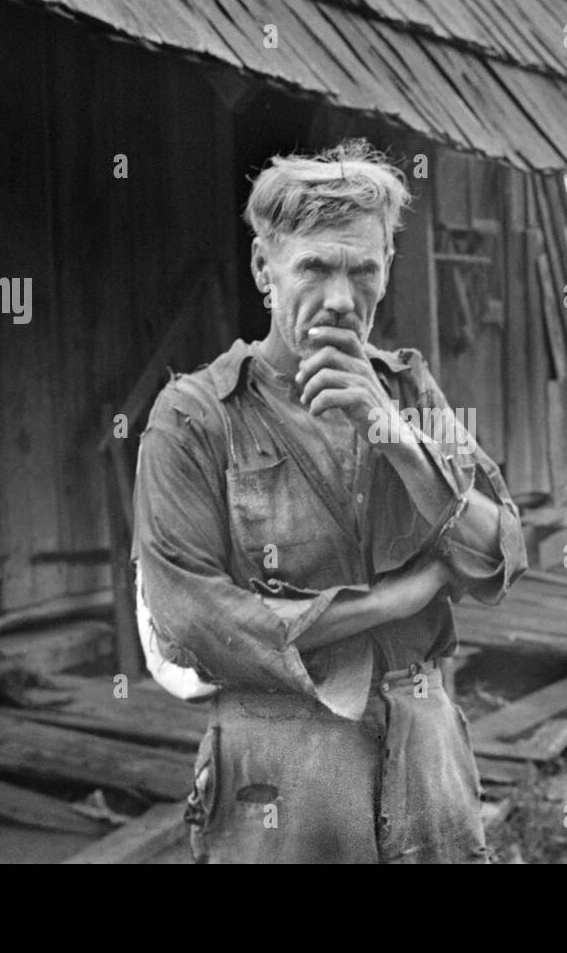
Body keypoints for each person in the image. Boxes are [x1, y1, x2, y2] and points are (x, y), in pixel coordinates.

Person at [132, 139, 527, 863]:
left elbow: (498, 557)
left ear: (386, 273)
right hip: (284, 769)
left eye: (363, 270)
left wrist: (399, 439)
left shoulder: (406, 390)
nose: (342, 300)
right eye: (314, 266)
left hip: (426, 755)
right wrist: (395, 600)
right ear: (264, 269)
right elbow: (193, 622)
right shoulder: (194, 419)